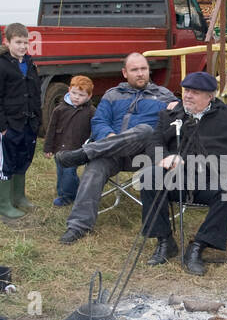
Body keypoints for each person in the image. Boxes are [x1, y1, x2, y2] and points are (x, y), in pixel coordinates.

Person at [137, 71, 227, 275]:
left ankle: (198, 246)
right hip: (177, 178)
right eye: (186, 91)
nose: (187, 96)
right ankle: (165, 241)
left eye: (195, 92)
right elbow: (154, 142)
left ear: (210, 96)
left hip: (212, 179)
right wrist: (164, 157)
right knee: (149, 177)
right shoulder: (170, 114)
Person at [54, 53, 178, 243]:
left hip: (145, 153)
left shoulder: (164, 96)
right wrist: (110, 137)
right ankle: (78, 226)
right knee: (95, 168)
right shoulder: (112, 94)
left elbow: (174, 126)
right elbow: (99, 121)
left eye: (143, 69)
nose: (140, 74)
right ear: (124, 73)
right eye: (134, 70)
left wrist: (177, 109)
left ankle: (83, 154)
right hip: (111, 152)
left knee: (145, 130)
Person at [0, 22, 41, 219]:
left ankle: (19, 197)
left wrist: (38, 120)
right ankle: (4, 204)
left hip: (29, 124)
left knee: (23, 160)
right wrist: (2, 127)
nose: (22, 46)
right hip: (10, 125)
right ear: (7, 42)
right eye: (18, 42)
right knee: (6, 163)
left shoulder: (30, 64)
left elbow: (35, 94)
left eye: (25, 42)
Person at [43, 75, 94, 206]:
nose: (76, 97)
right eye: (74, 93)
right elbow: (51, 130)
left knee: (69, 172)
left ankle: (69, 196)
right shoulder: (59, 109)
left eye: (81, 95)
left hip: (78, 148)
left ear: (89, 96)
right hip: (60, 147)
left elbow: (96, 128)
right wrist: (48, 148)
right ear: (69, 90)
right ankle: (63, 192)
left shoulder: (91, 111)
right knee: (61, 172)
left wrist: (92, 143)